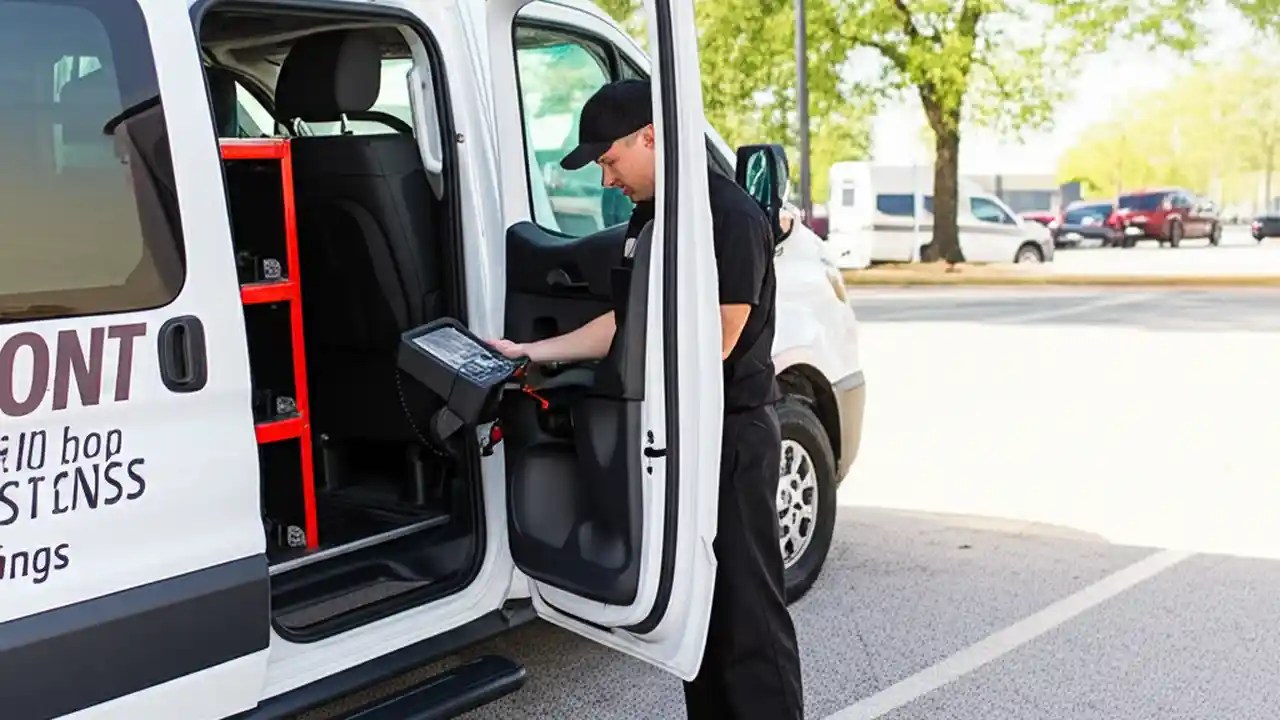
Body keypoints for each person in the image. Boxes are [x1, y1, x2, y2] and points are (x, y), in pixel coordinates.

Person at [489, 79, 804, 720]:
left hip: (732, 436)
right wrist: (532, 351)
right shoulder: (650, 219)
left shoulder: (728, 216)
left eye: (609, 160)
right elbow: (623, 321)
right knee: (696, 616)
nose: (607, 179)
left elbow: (715, 340)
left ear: (650, 137)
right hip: (681, 430)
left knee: (747, 612)